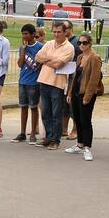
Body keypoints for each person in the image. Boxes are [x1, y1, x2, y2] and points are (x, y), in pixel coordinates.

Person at [34, 20, 74, 148]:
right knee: (45, 112)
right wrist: (50, 60)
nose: (56, 34)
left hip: (57, 84)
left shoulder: (69, 47)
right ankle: (49, 137)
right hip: (44, 81)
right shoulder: (49, 44)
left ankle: (55, 140)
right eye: (54, 32)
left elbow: (59, 64)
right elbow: (37, 57)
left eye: (59, 32)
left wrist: (45, 60)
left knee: (56, 113)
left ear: (65, 32)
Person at [65, 33, 103, 161]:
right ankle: (79, 144)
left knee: (86, 120)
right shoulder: (80, 57)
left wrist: (88, 96)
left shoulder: (95, 58)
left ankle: (87, 147)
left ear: (90, 44)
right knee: (77, 118)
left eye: (84, 43)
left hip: (87, 93)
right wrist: (70, 93)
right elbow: (75, 77)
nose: (81, 45)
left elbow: (94, 79)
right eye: (79, 43)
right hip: (76, 91)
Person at [11, 24, 41, 144]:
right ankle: (22, 132)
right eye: (23, 34)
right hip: (22, 81)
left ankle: (33, 133)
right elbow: (19, 64)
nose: (24, 36)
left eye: (26, 33)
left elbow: (39, 65)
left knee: (33, 107)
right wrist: (23, 50)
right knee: (23, 106)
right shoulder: (22, 47)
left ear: (33, 34)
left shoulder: (40, 47)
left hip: (34, 82)